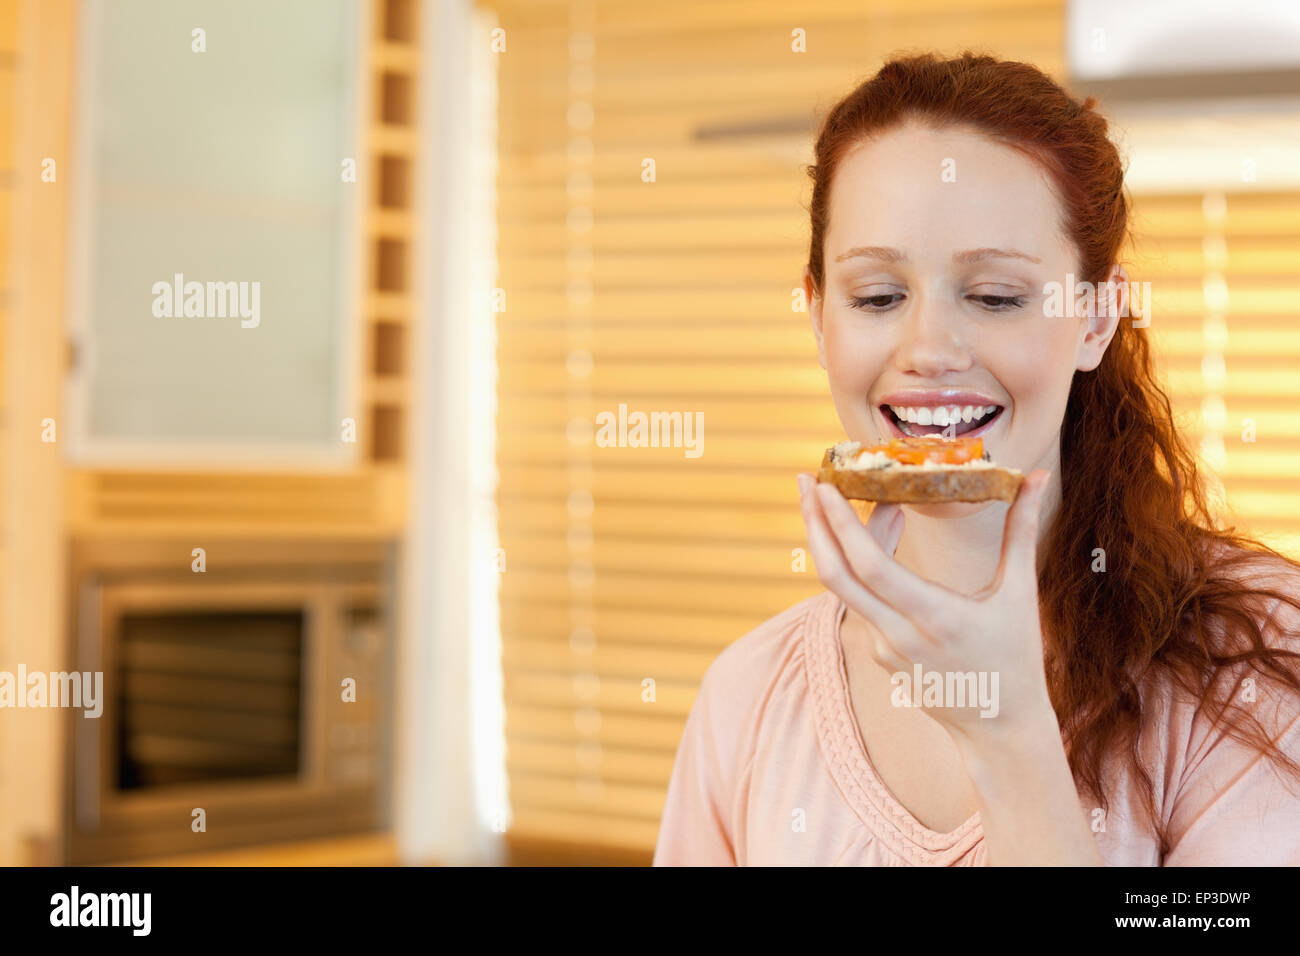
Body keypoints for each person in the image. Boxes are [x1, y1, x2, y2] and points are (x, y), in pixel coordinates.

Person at [653, 51, 1300, 866]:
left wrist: (1005, 729)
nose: (929, 350)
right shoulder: (746, 697)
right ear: (819, 319)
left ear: (1097, 318)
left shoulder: (1260, 659)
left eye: (996, 296)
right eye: (878, 297)